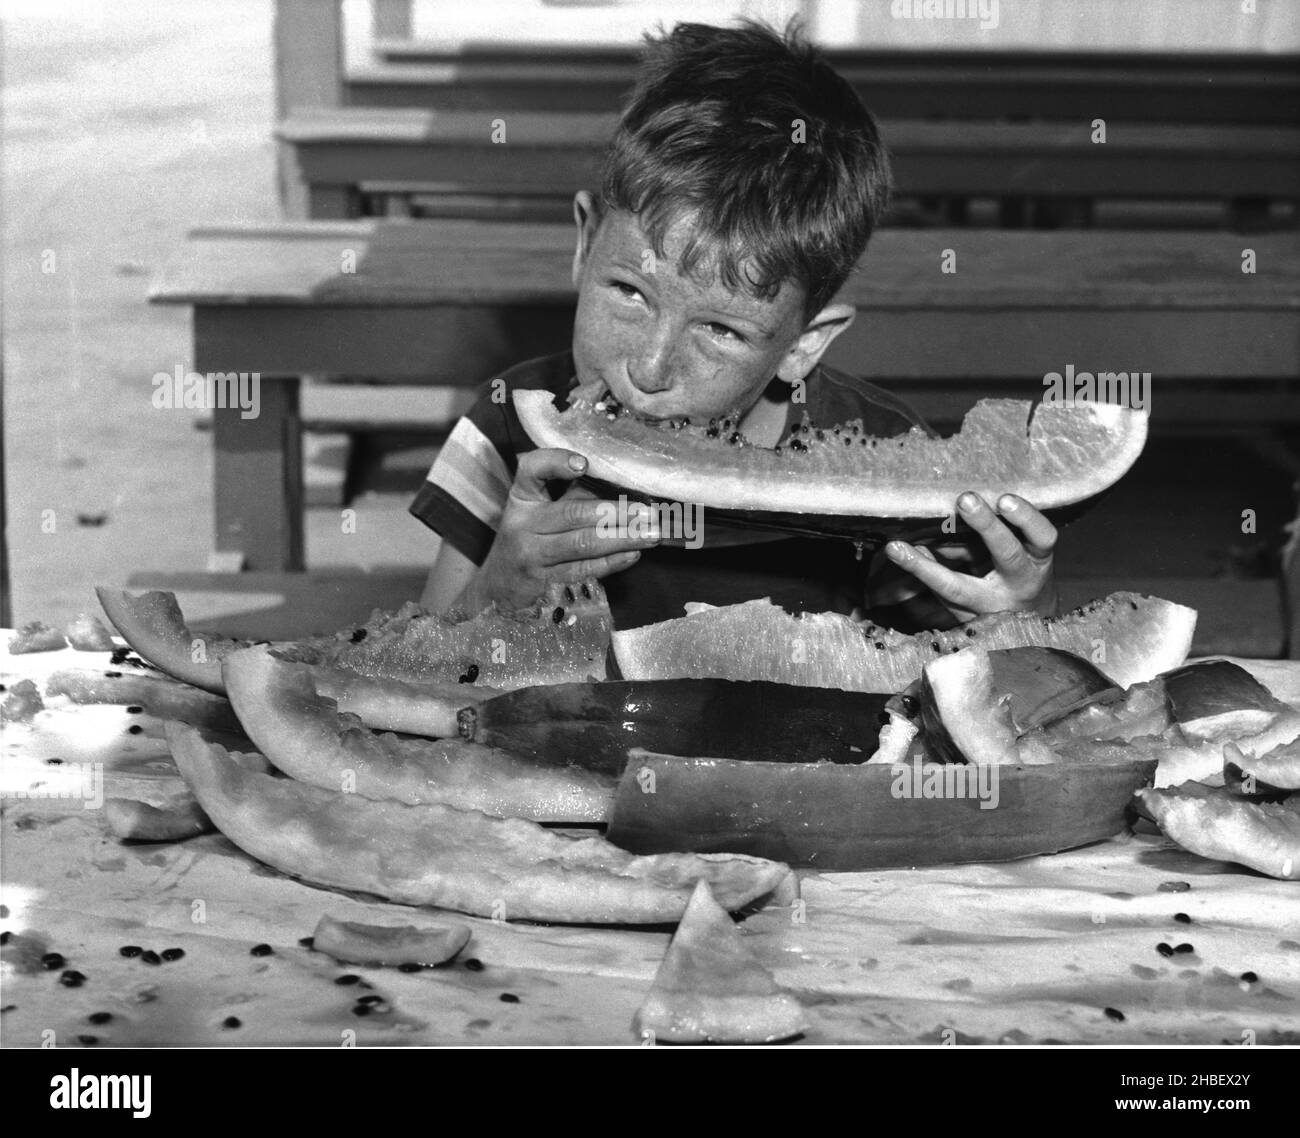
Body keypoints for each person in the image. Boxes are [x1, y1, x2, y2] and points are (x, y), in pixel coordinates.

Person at [412, 19, 1058, 630]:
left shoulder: (890, 462)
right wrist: (500, 587)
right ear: (585, 244)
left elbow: (972, 675)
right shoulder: (506, 428)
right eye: (630, 291)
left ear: (803, 344)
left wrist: (1012, 612)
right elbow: (416, 676)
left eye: (721, 331)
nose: (650, 368)